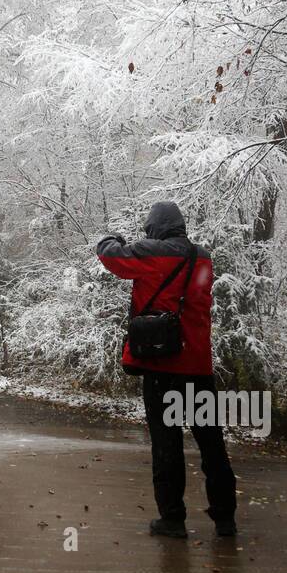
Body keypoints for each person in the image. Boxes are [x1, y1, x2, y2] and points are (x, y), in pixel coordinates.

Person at [97, 201, 237, 539]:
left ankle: (173, 519)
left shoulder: (150, 252)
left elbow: (111, 256)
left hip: (162, 368)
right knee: (212, 445)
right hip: (198, 367)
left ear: (155, 227)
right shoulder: (202, 258)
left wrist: (111, 237)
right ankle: (225, 520)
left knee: (166, 445)